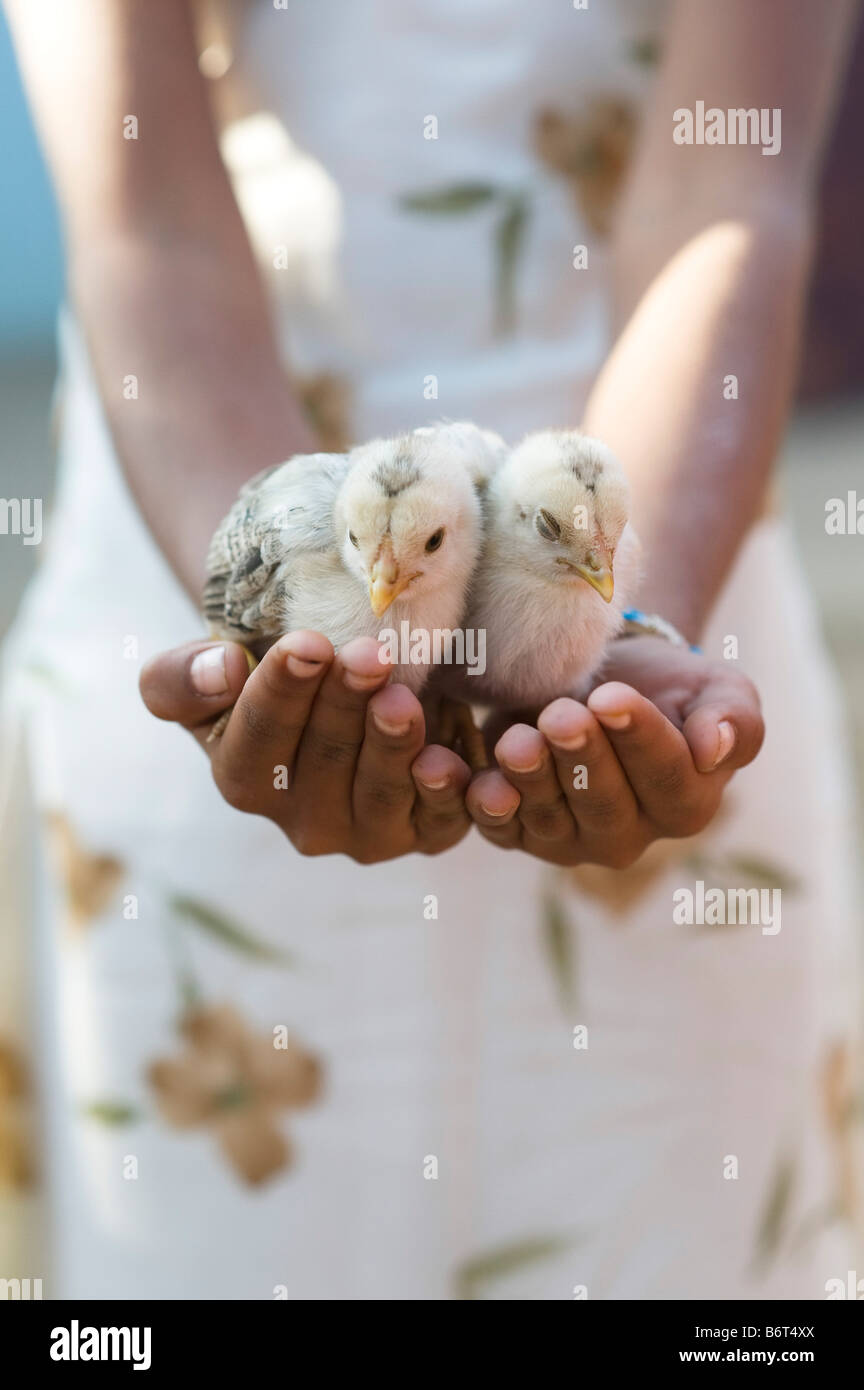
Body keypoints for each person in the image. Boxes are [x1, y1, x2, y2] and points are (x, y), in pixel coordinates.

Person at [0, 0, 860, 1299]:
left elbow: (726, 187)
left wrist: (623, 619)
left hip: (669, 570)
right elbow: (147, 221)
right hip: (203, 532)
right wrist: (285, 617)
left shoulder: (645, 640)